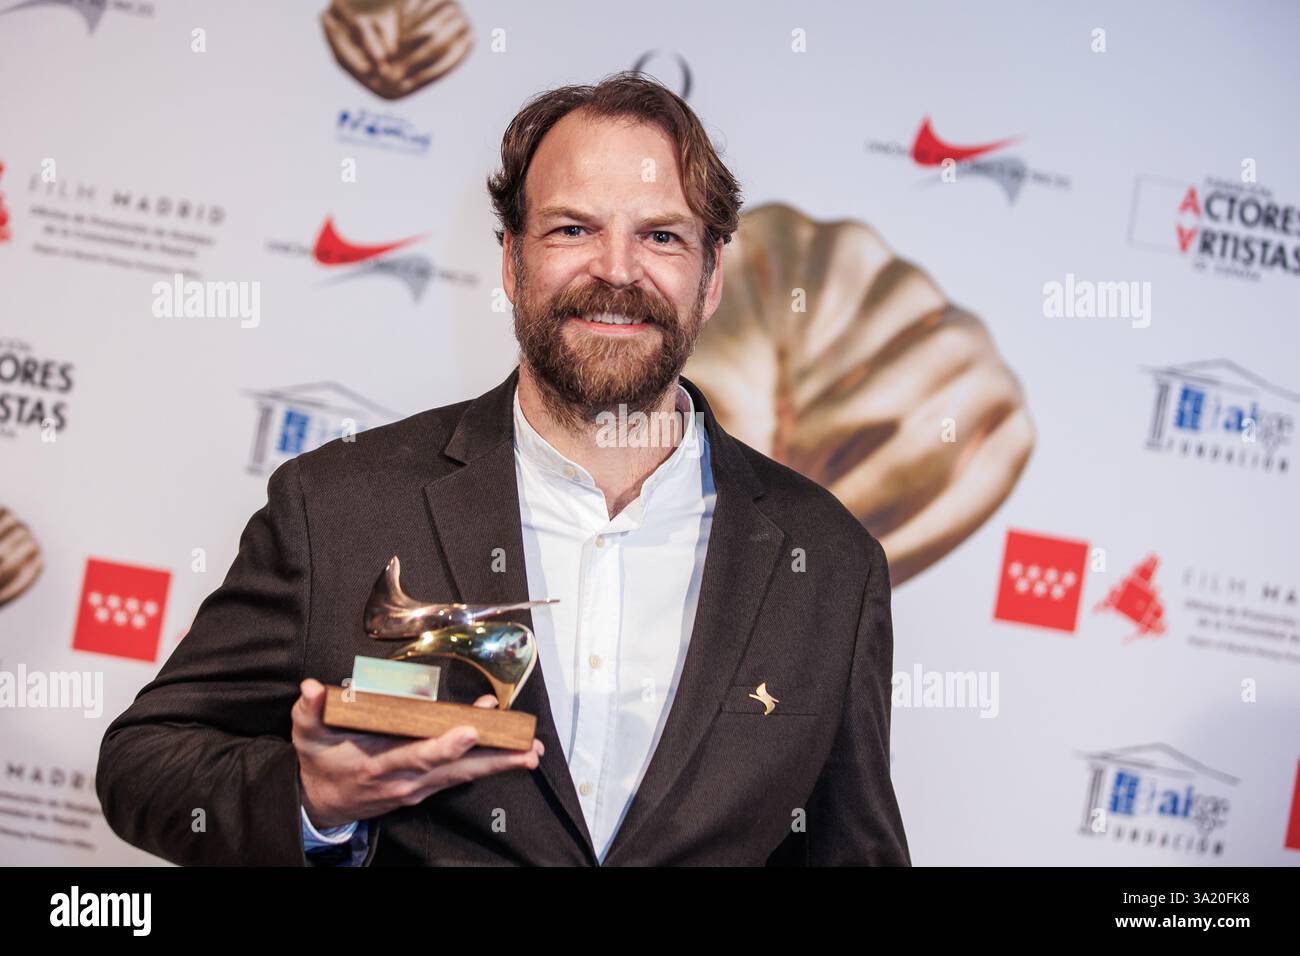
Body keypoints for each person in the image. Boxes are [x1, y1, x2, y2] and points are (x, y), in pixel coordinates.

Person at [96, 71, 910, 866]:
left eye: (661, 235)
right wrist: (313, 799)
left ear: (711, 277)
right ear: (512, 264)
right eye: (572, 229)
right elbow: (145, 764)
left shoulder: (831, 565)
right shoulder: (338, 506)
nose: (618, 270)